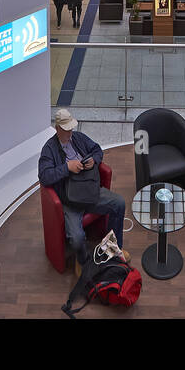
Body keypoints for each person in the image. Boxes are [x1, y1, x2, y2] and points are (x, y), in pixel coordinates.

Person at [37, 109, 126, 265]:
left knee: (119, 203)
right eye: (66, 129)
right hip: (70, 200)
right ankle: (83, 263)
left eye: (71, 128)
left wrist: (94, 159)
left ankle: (113, 248)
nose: (70, 132)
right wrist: (67, 168)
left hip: (90, 191)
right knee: (77, 239)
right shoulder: (49, 149)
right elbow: (44, 176)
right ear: (57, 128)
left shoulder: (78, 138)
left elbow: (97, 149)